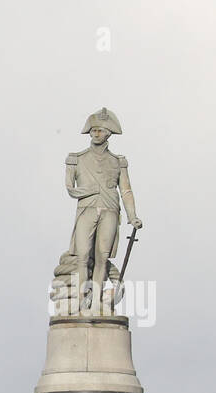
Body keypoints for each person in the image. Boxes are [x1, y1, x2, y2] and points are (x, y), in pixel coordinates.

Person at [65, 107, 142, 311]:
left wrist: (132, 216)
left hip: (110, 209)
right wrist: (88, 190)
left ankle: (97, 300)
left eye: (100, 130)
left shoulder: (118, 162)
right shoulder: (77, 158)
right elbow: (70, 188)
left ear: (108, 133)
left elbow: (126, 190)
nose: (96, 134)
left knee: (102, 256)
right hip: (87, 208)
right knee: (82, 255)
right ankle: (82, 297)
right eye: (93, 130)